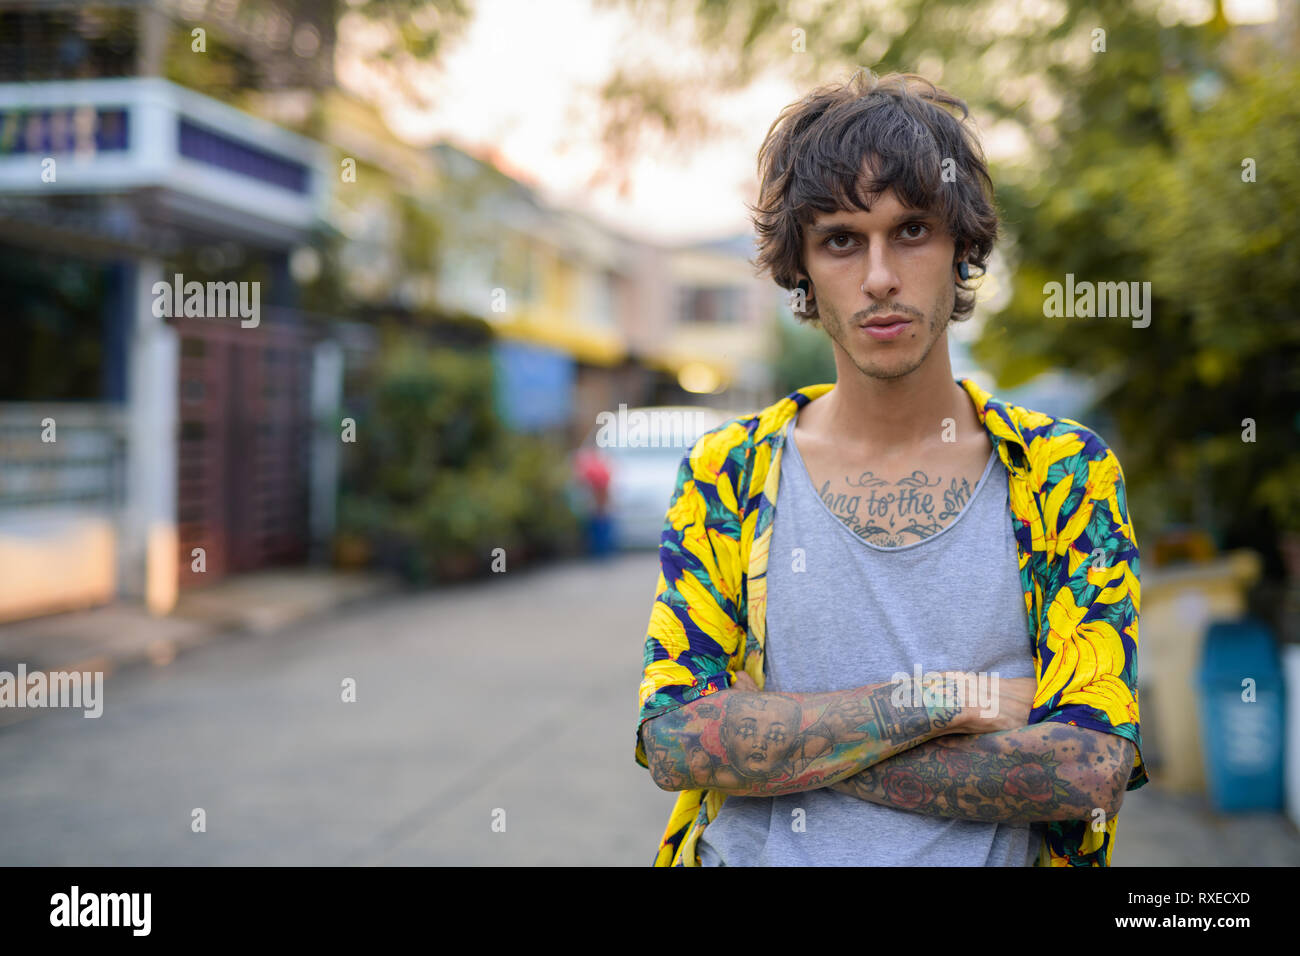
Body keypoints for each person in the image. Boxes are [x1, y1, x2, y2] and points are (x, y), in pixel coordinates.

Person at [633, 70, 1147, 867]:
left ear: (961, 248)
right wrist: (951, 699)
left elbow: (1084, 770)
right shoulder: (728, 472)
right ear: (800, 267)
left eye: (912, 231)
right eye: (841, 239)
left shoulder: (1063, 475)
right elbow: (677, 740)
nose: (879, 276)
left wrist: (784, 747)